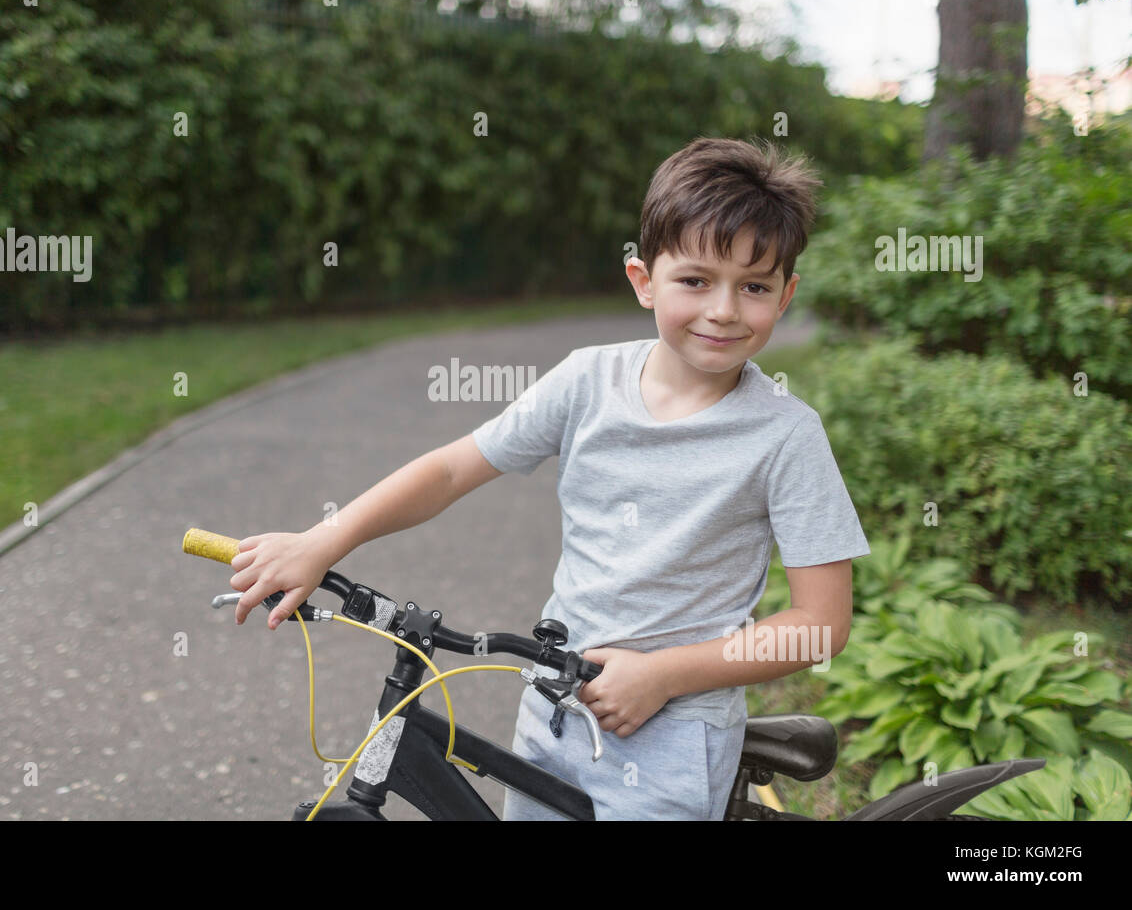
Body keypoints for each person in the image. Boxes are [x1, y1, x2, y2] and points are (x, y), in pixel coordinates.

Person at [227, 136, 871, 820]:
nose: (723, 310)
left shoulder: (785, 435)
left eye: (754, 287)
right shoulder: (587, 380)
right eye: (696, 280)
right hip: (553, 713)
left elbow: (820, 624)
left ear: (787, 294)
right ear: (643, 279)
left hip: (675, 738)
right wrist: (325, 541)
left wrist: (662, 675)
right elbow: (450, 469)